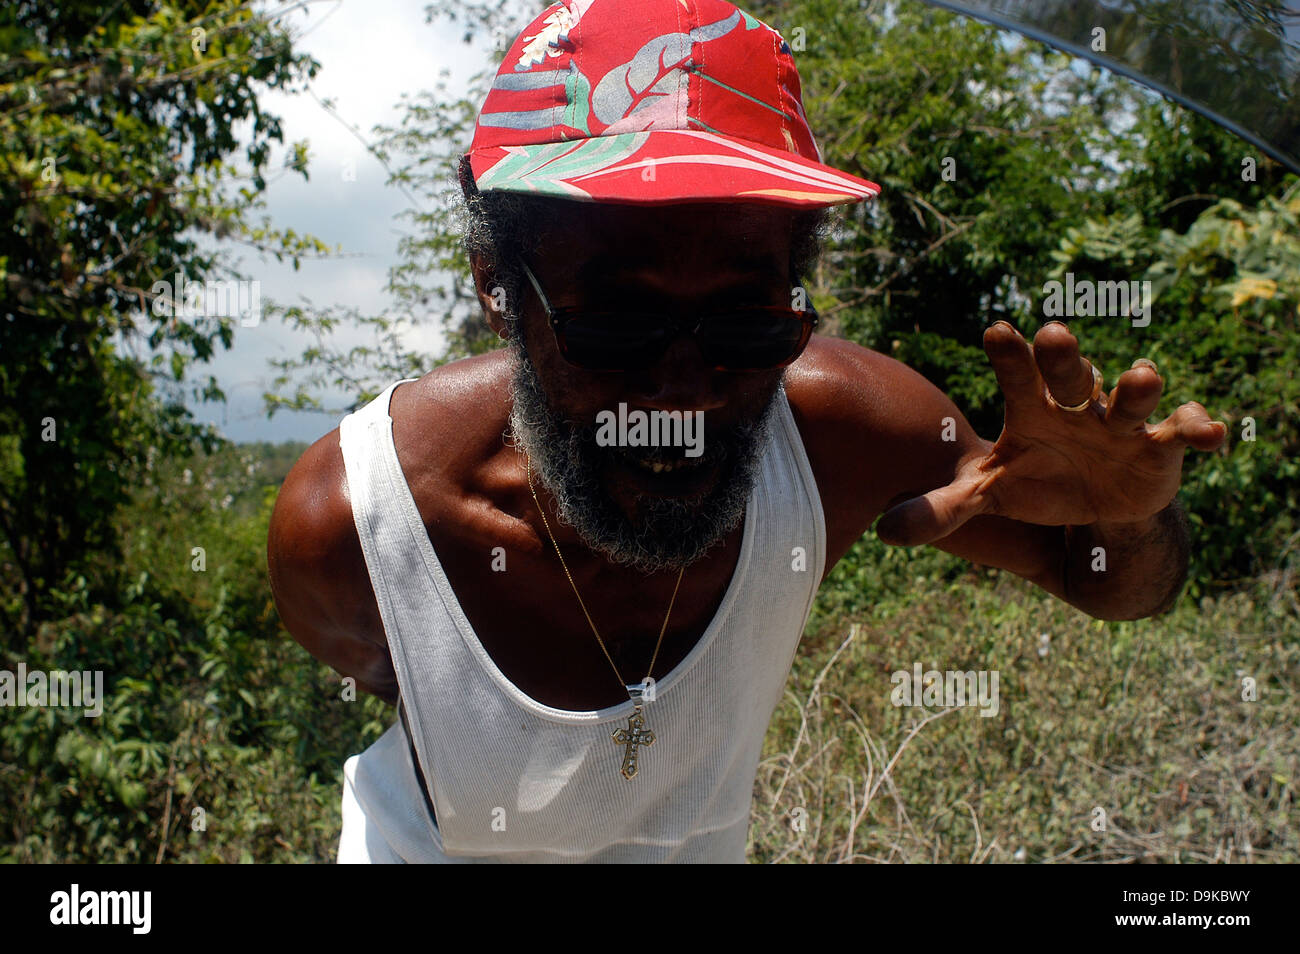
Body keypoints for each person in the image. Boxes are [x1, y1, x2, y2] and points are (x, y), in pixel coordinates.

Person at [265, 0, 1226, 863]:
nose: (682, 386)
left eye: (744, 321)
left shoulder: (847, 437)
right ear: (497, 289)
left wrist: (1127, 522)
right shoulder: (360, 528)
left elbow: (1109, 588)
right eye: (615, 322)